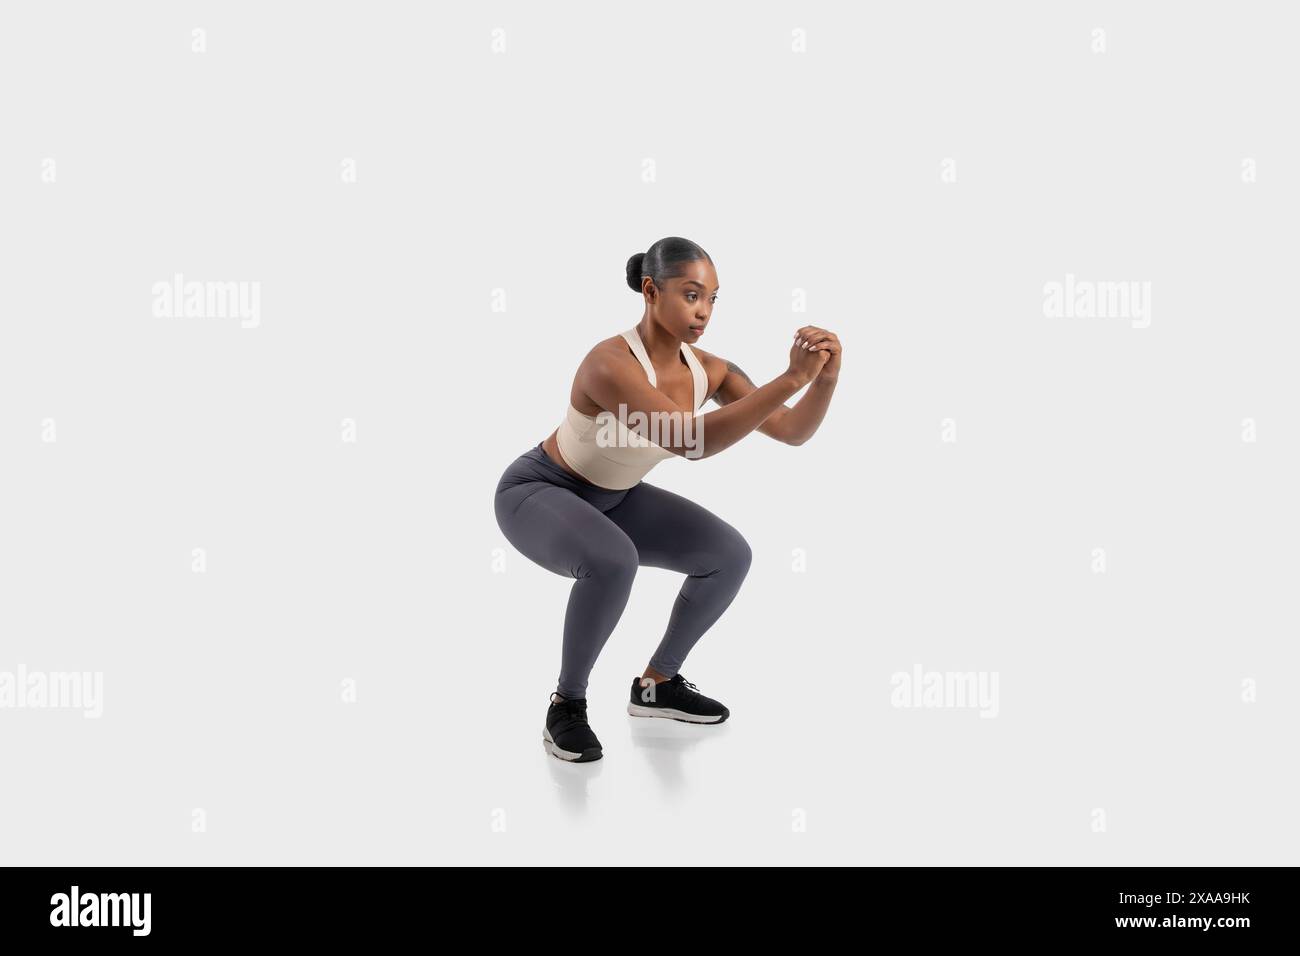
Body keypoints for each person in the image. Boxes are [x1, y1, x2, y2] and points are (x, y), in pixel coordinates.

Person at [493, 237, 842, 761]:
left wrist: (824, 379)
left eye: (713, 299)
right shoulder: (609, 363)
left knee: (728, 556)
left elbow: (791, 431)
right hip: (539, 490)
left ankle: (656, 686)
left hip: (616, 497)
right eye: (691, 294)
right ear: (651, 291)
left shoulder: (712, 371)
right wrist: (792, 376)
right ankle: (566, 705)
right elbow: (692, 441)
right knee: (613, 561)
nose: (703, 312)